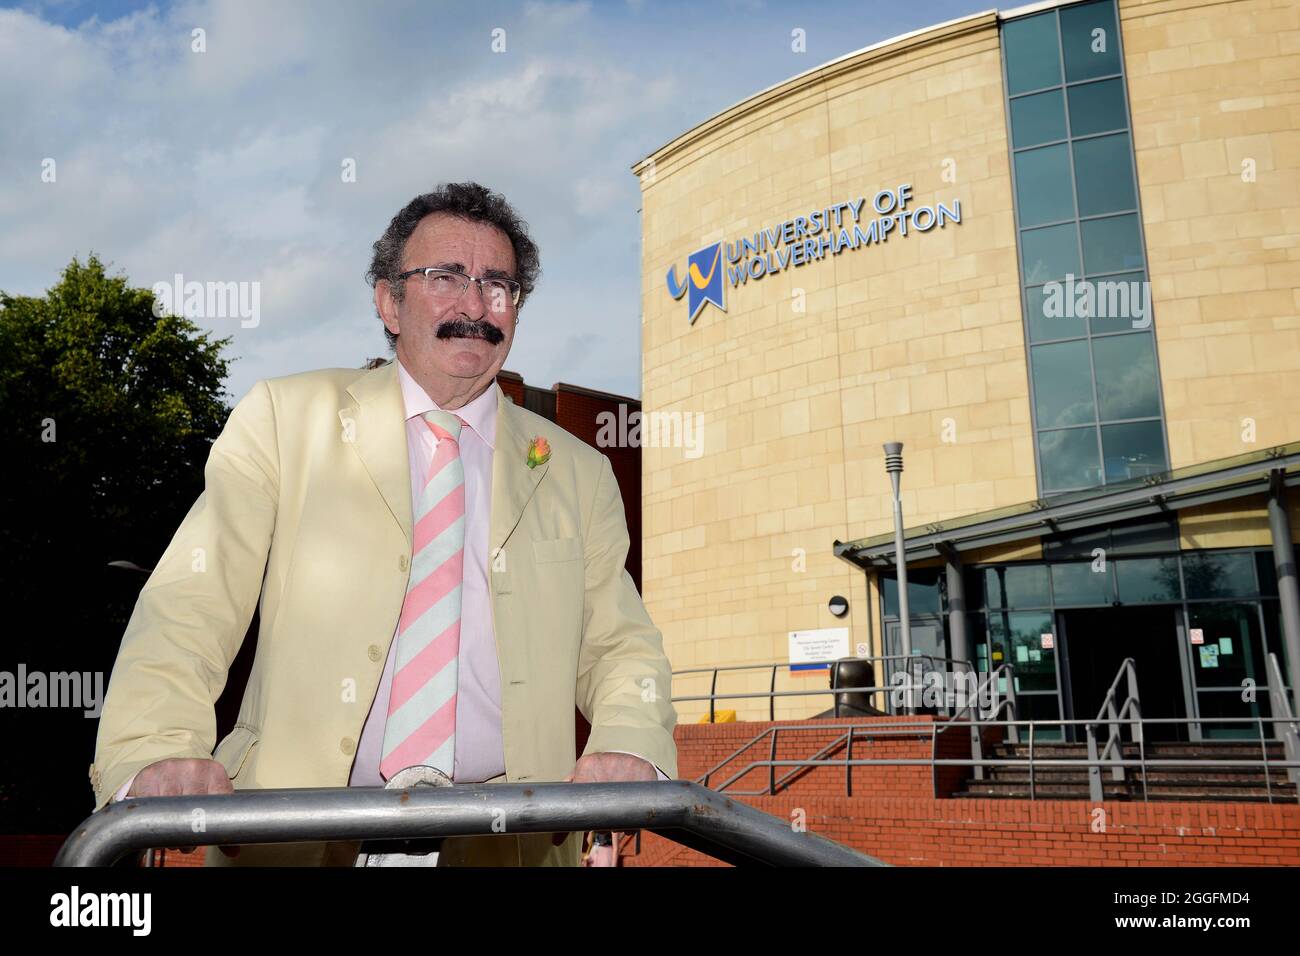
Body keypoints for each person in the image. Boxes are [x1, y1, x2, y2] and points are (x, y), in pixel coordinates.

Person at [89, 182, 677, 866]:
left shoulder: (578, 472)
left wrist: (630, 742)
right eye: (445, 277)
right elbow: (191, 602)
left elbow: (620, 646)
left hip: (503, 842)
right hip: (292, 837)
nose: (474, 305)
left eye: (498, 285)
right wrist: (157, 747)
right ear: (389, 301)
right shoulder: (285, 420)